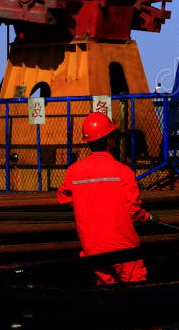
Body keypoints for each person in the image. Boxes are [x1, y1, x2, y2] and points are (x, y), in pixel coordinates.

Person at [57, 112, 155, 284]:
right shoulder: (122, 171)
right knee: (137, 292)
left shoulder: (74, 171)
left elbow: (63, 199)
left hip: (92, 248)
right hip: (123, 249)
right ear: (110, 140)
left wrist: (86, 200)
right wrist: (148, 217)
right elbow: (134, 211)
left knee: (105, 294)